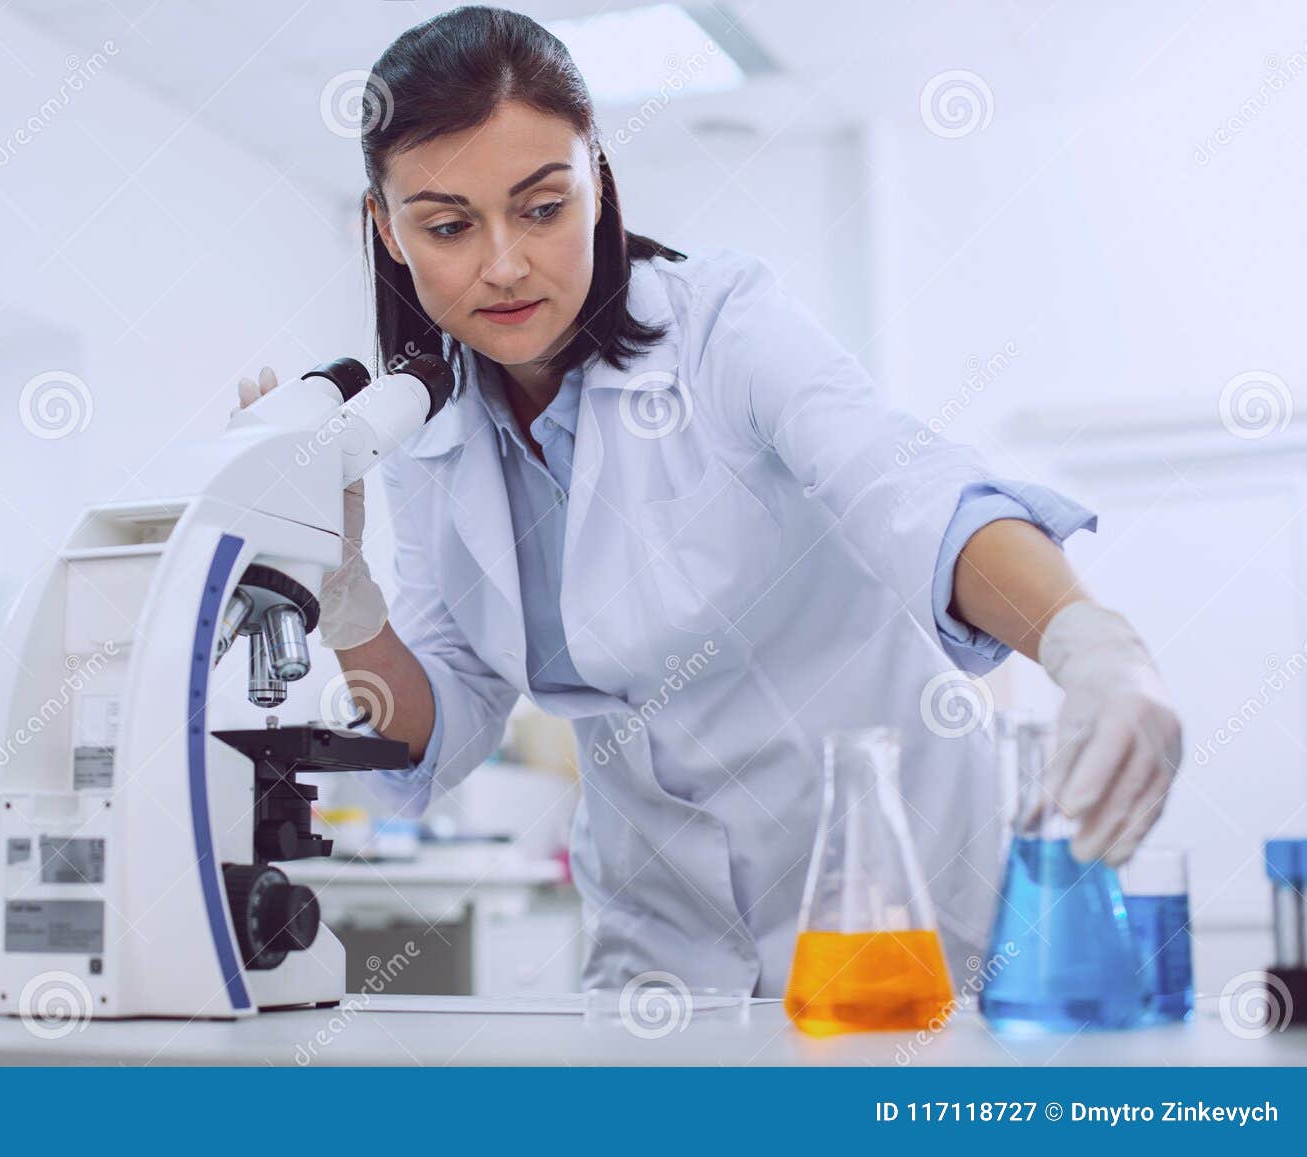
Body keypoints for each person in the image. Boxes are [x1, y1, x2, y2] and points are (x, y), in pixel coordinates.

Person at [234, 5, 1182, 995]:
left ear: (596, 183)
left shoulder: (724, 328)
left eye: (542, 207)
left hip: (882, 909)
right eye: (448, 225)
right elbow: (444, 715)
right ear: (385, 229)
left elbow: (907, 486)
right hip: (661, 948)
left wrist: (1088, 642)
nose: (504, 262)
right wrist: (342, 598)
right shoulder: (428, 432)